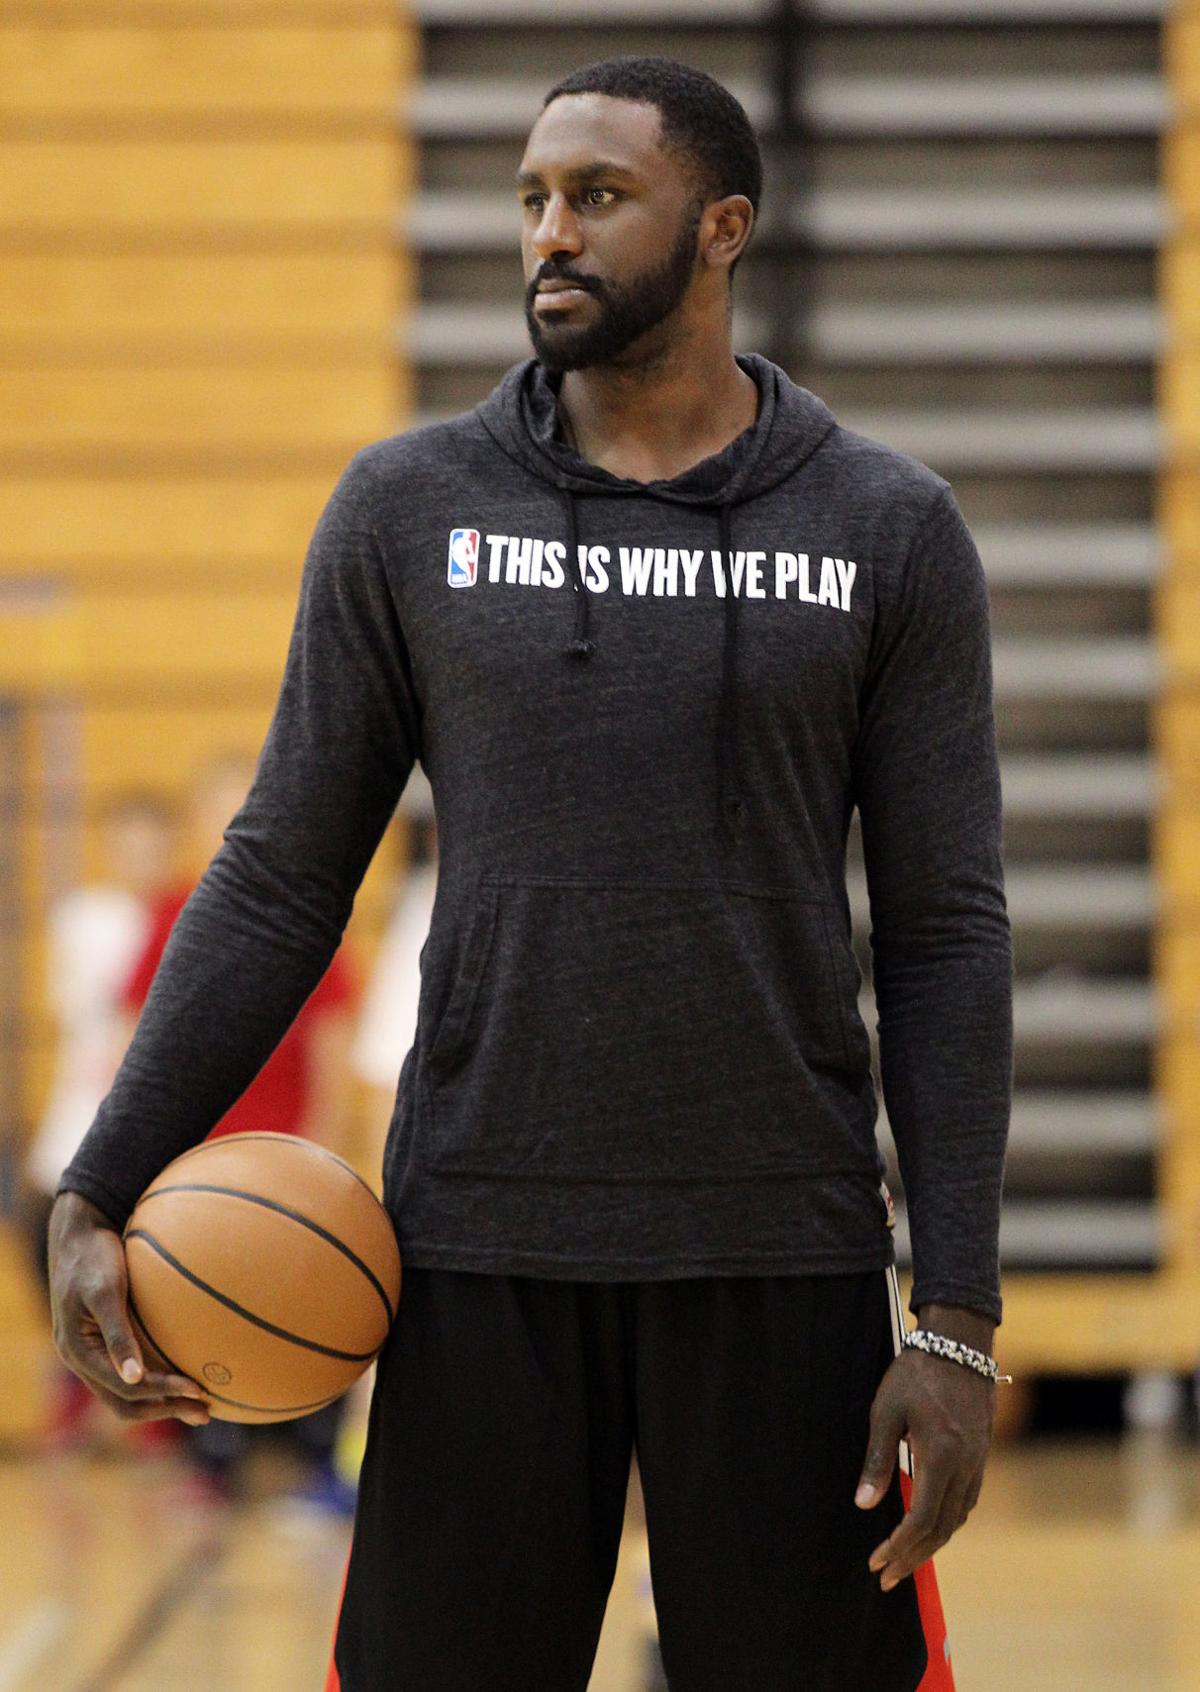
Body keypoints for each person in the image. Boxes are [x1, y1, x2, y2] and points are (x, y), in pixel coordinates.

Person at [47, 57, 1012, 1692]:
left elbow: (943, 932)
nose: (550, 233)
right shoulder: (408, 511)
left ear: (722, 229)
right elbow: (283, 876)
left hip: (780, 1254)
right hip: (475, 1250)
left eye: (598, 197)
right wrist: (100, 1175)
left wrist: (957, 1316)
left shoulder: (886, 529)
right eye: (531, 200)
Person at [23, 788, 176, 1445]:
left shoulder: (182, 917)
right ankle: (79, 1373)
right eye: (127, 842)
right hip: (81, 1104)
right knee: (43, 1229)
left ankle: (150, 1397)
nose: (138, 855)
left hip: (145, 1108)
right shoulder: (82, 920)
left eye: (151, 843)